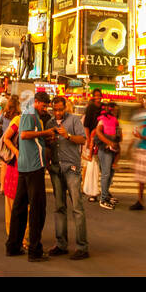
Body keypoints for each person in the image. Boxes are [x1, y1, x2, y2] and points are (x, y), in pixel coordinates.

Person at [6, 90, 53, 261]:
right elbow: (25, 135)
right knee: (37, 209)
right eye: (44, 104)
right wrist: (45, 133)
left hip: (26, 167)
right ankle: (34, 250)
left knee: (19, 208)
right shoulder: (30, 114)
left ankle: (13, 245)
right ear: (36, 102)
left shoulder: (31, 114)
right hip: (33, 166)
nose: (45, 108)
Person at [47, 95, 89, 259]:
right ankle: (61, 244)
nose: (58, 113)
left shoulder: (74, 120)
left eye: (60, 109)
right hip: (56, 168)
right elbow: (48, 144)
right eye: (55, 110)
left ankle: (82, 247)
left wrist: (68, 136)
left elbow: (83, 139)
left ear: (65, 108)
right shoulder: (50, 123)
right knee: (59, 207)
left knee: (77, 207)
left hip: (71, 167)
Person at [0, 94, 22, 231]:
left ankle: (3, 187)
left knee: (5, 170)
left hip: (9, 154)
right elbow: (7, 137)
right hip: (15, 153)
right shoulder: (18, 119)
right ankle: (15, 230)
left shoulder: (5, 115)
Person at [93, 100, 121, 209]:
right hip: (105, 150)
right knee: (106, 174)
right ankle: (103, 199)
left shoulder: (114, 120)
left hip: (112, 150)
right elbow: (98, 132)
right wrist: (109, 142)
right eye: (114, 110)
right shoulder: (102, 120)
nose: (116, 112)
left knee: (110, 174)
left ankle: (106, 195)